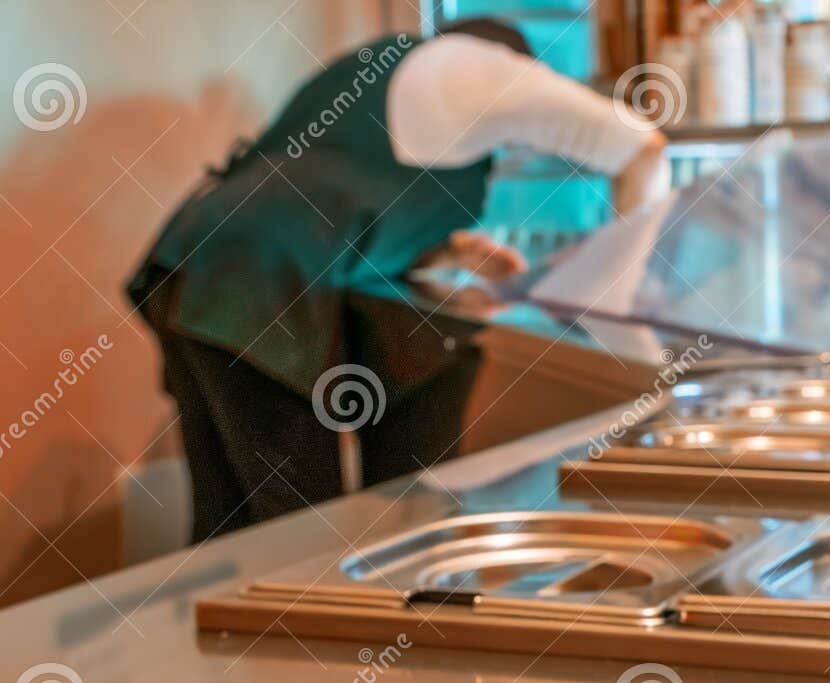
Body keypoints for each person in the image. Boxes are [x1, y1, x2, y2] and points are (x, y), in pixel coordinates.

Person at [127, 20, 667, 543]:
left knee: (228, 520)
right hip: (254, 287)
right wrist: (619, 283)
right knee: (298, 527)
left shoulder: (379, 68)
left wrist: (455, 249)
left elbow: (337, 193)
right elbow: (644, 146)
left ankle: (231, 632)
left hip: (187, 263)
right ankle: (317, 627)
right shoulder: (483, 69)